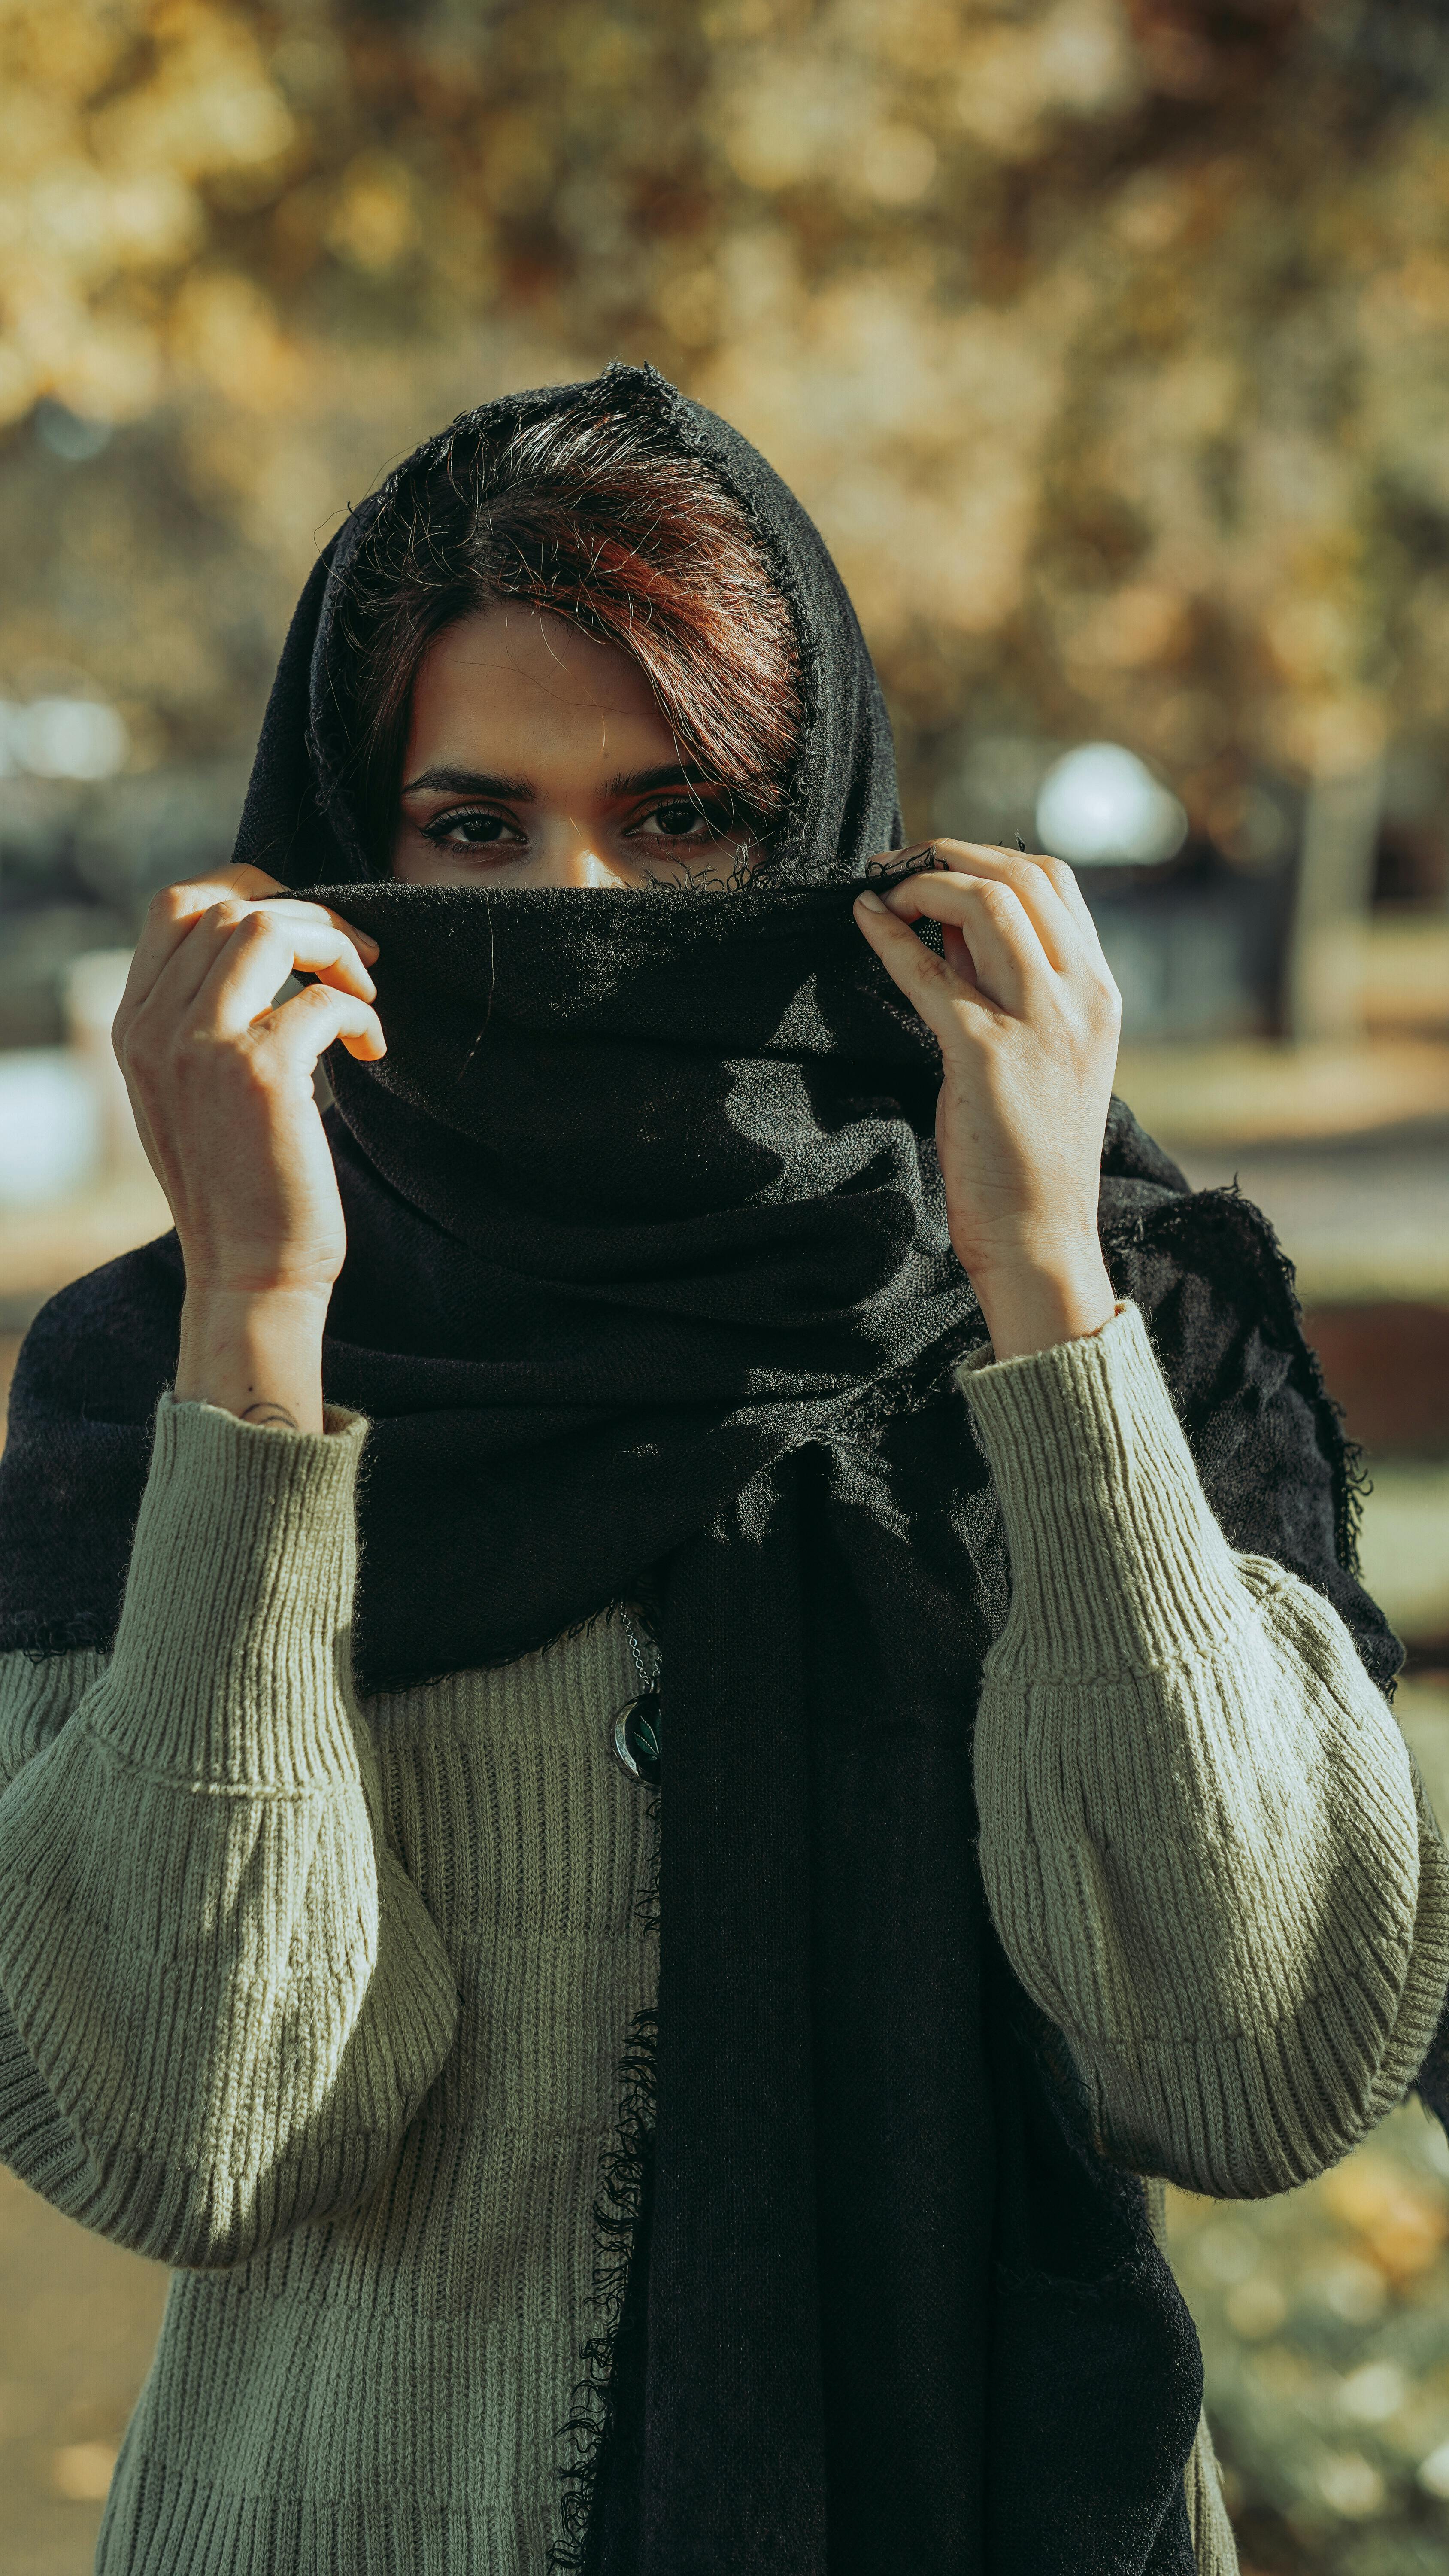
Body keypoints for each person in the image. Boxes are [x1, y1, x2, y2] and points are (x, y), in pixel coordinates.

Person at [0, 363, 1445, 2576]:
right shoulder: (161, 1379)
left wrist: (1048, 1291)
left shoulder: (1113, 1327)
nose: (580, 904)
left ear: (825, 834)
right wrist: (263, 1325)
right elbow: (190, 2130)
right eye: (474, 829)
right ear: (342, 851)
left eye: (681, 819)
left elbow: (1249, 2063)